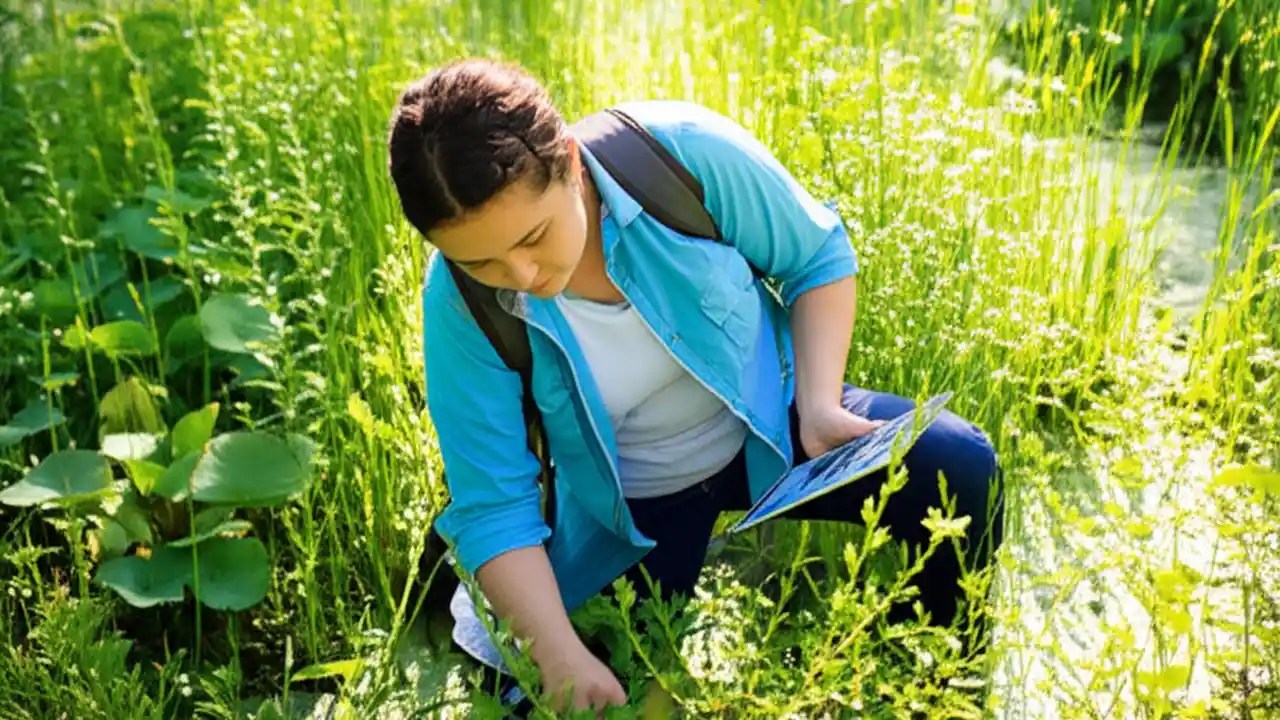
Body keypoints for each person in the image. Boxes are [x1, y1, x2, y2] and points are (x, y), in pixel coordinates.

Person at [387, 57, 1004, 715]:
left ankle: (941, 686)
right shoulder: (458, 305)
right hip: (632, 507)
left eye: (534, 235)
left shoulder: (676, 155)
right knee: (561, 693)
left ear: (567, 159)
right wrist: (558, 654)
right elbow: (494, 504)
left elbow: (815, 257)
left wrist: (820, 404)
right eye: (480, 261)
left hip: (772, 426)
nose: (520, 274)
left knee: (960, 467)